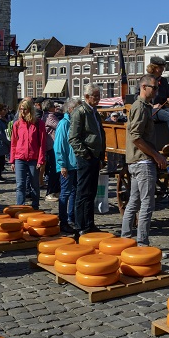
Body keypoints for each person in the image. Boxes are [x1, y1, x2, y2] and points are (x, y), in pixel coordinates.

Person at [121, 74, 168, 246]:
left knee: (134, 201)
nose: (156, 91)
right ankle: (142, 243)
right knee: (147, 203)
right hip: (143, 162)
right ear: (143, 87)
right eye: (154, 88)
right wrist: (157, 155)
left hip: (136, 162)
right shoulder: (140, 107)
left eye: (157, 88)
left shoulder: (143, 106)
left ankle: (125, 240)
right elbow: (135, 137)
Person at [69, 85, 105, 236]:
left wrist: (100, 155)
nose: (97, 99)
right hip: (86, 157)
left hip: (95, 156)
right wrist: (86, 154)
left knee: (91, 192)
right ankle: (80, 226)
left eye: (98, 96)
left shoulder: (95, 113)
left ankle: (89, 224)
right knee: (82, 192)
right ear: (87, 96)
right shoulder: (80, 112)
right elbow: (73, 138)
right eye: (95, 96)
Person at [10, 98, 46, 209]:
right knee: (20, 185)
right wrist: (12, 160)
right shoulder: (17, 124)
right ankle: (20, 207)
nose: (22, 112)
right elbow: (13, 143)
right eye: (20, 109)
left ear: (30, 109)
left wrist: (41, 159)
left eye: (24, 109)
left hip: (33, 158)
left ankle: (35, 206)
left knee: (34, 184)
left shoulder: (39, 124)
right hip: (20, 158)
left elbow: (42, 144)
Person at [55, 98, 79, 234]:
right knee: (65, 193)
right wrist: (62, 164)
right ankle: (63, 221)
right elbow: (59, 145)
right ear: (70, 110)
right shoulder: (64, 124)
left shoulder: (74, 122)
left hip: (74, 164)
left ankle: (72, 217)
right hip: (67, 164)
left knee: (74, 192)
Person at [42, 100, 62, 202]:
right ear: (50, 107)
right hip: (52, 146)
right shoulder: (50, 117)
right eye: (54, 106)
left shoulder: (46, 116)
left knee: (54, 170)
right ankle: (50, 192)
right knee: (54, 170)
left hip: (50, 146)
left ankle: (55, 190)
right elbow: (60, 126)